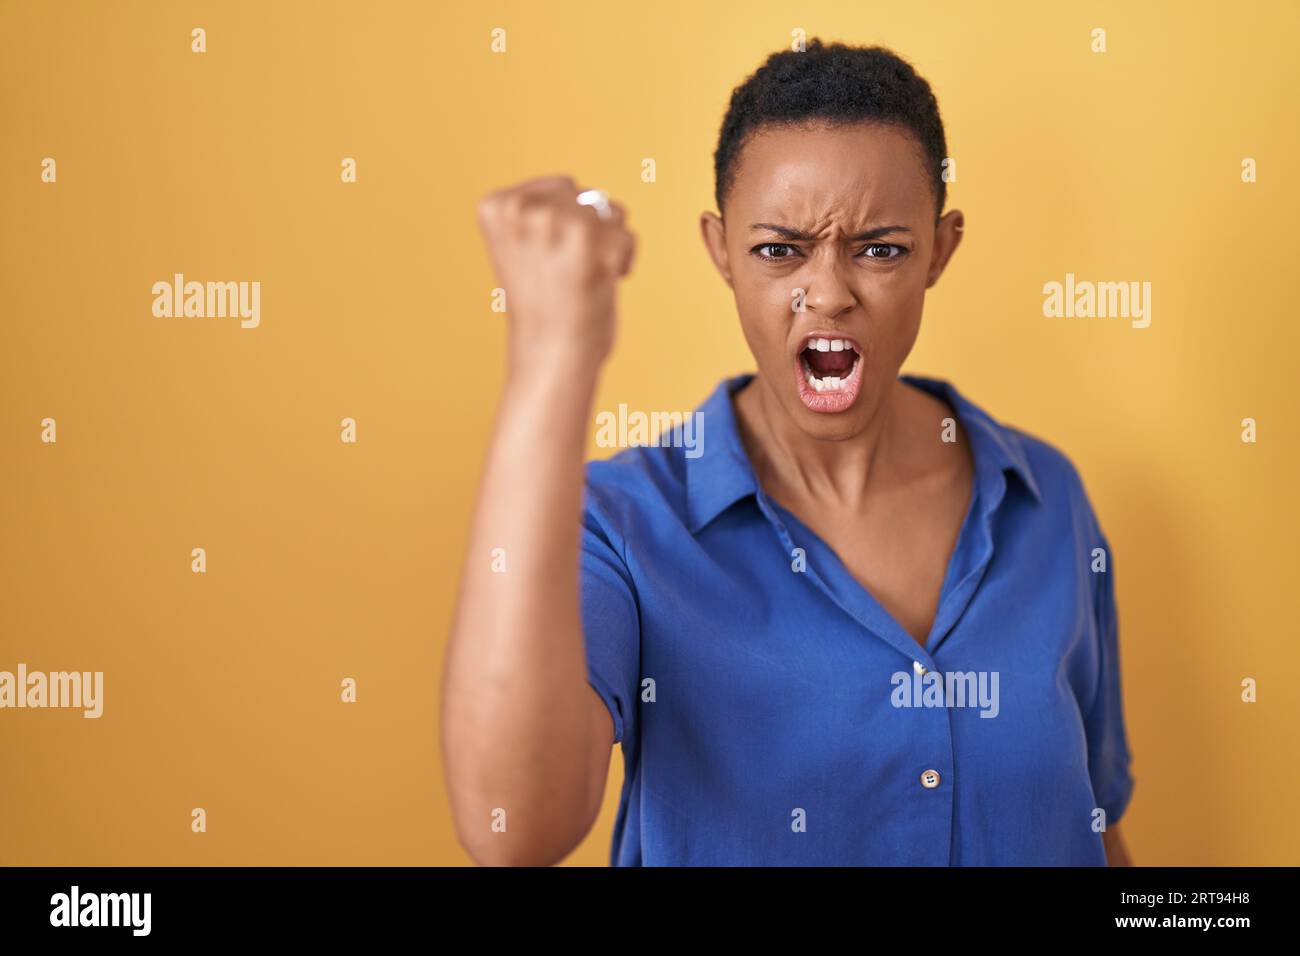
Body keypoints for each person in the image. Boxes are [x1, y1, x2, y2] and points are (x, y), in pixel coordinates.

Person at [442, 39, 1135, 866]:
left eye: (881, 248)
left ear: (941, 251)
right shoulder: (624, 526)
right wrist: (552, 360)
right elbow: (510, 829)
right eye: (780, 249)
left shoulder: (1047, 497)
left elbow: (1090, 822)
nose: (831, 292)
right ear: (720, 249)